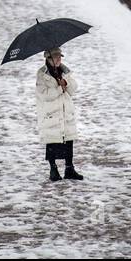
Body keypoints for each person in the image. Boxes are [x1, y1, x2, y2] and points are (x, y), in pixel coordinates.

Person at [35, 48, 83, 182]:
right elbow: (44, 94)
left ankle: (69, 168)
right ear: (48, 58)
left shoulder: (64, 71)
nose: (58, 59)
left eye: (59, 57)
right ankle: (53, 169)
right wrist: (59, 87)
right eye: (55, 57)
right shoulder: (42, 75)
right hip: (51, 113)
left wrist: (66, 83)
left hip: (65, 110)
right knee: (52, 141)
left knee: (68, 140)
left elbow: (73, 88)